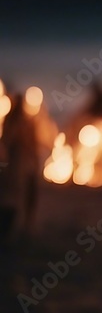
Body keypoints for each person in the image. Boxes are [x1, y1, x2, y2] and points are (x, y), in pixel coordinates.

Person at [0, 94, 38, 247]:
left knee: (21, 198)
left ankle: (25, 227)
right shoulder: (14, 122)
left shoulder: (26, 123)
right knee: (12, 200)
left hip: (21, 168)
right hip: (16, 168)